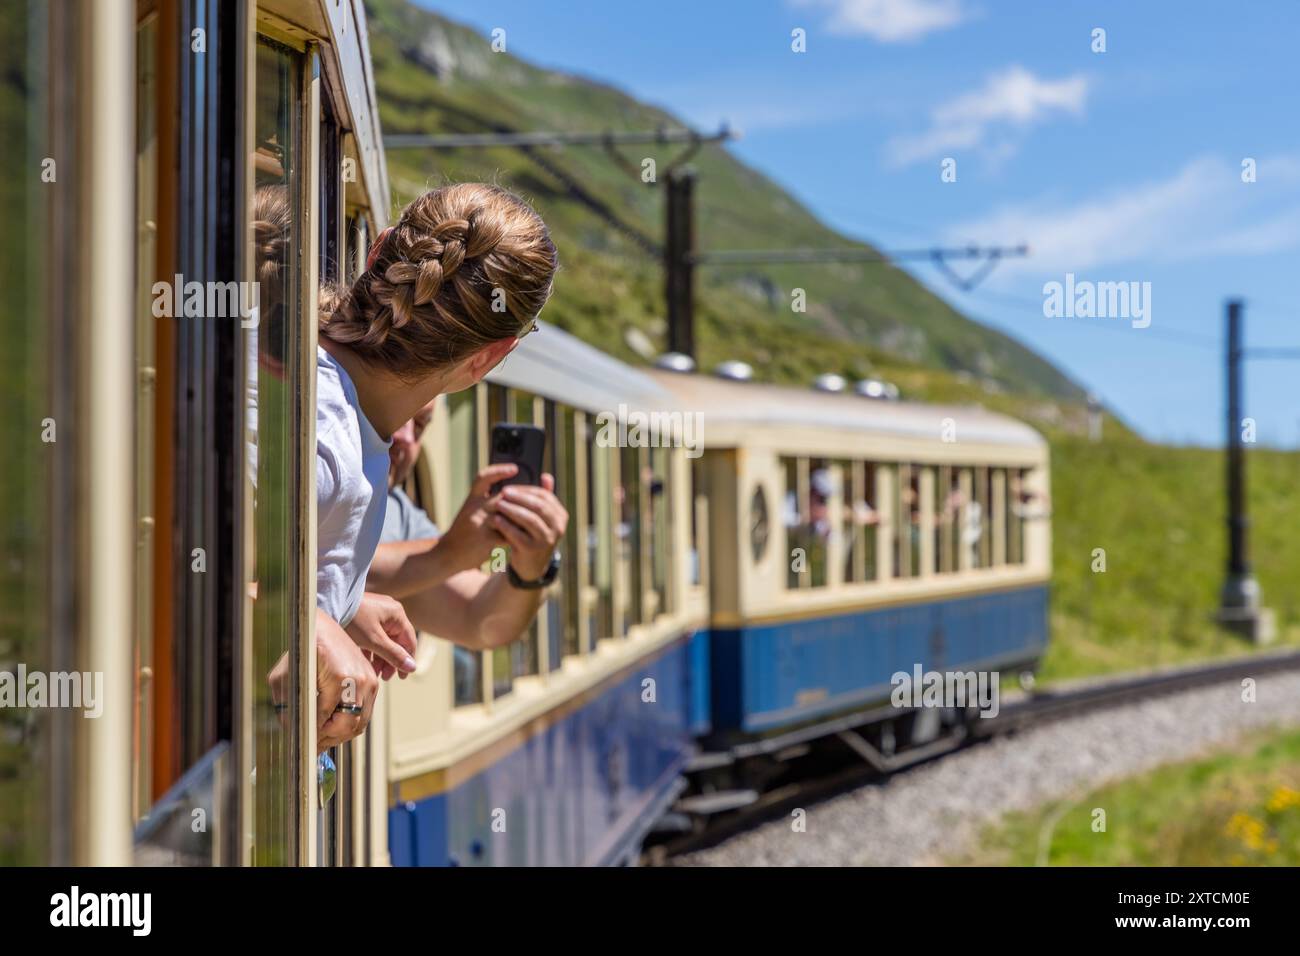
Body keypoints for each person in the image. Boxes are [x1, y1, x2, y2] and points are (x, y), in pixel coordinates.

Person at [363, 401, 568, 690]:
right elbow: (320, 577)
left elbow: (482, 620)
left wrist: (530, 568)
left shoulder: (397, 511)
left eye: (420, 424)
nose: (407, 438)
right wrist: (449, 553)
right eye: (398, 412)